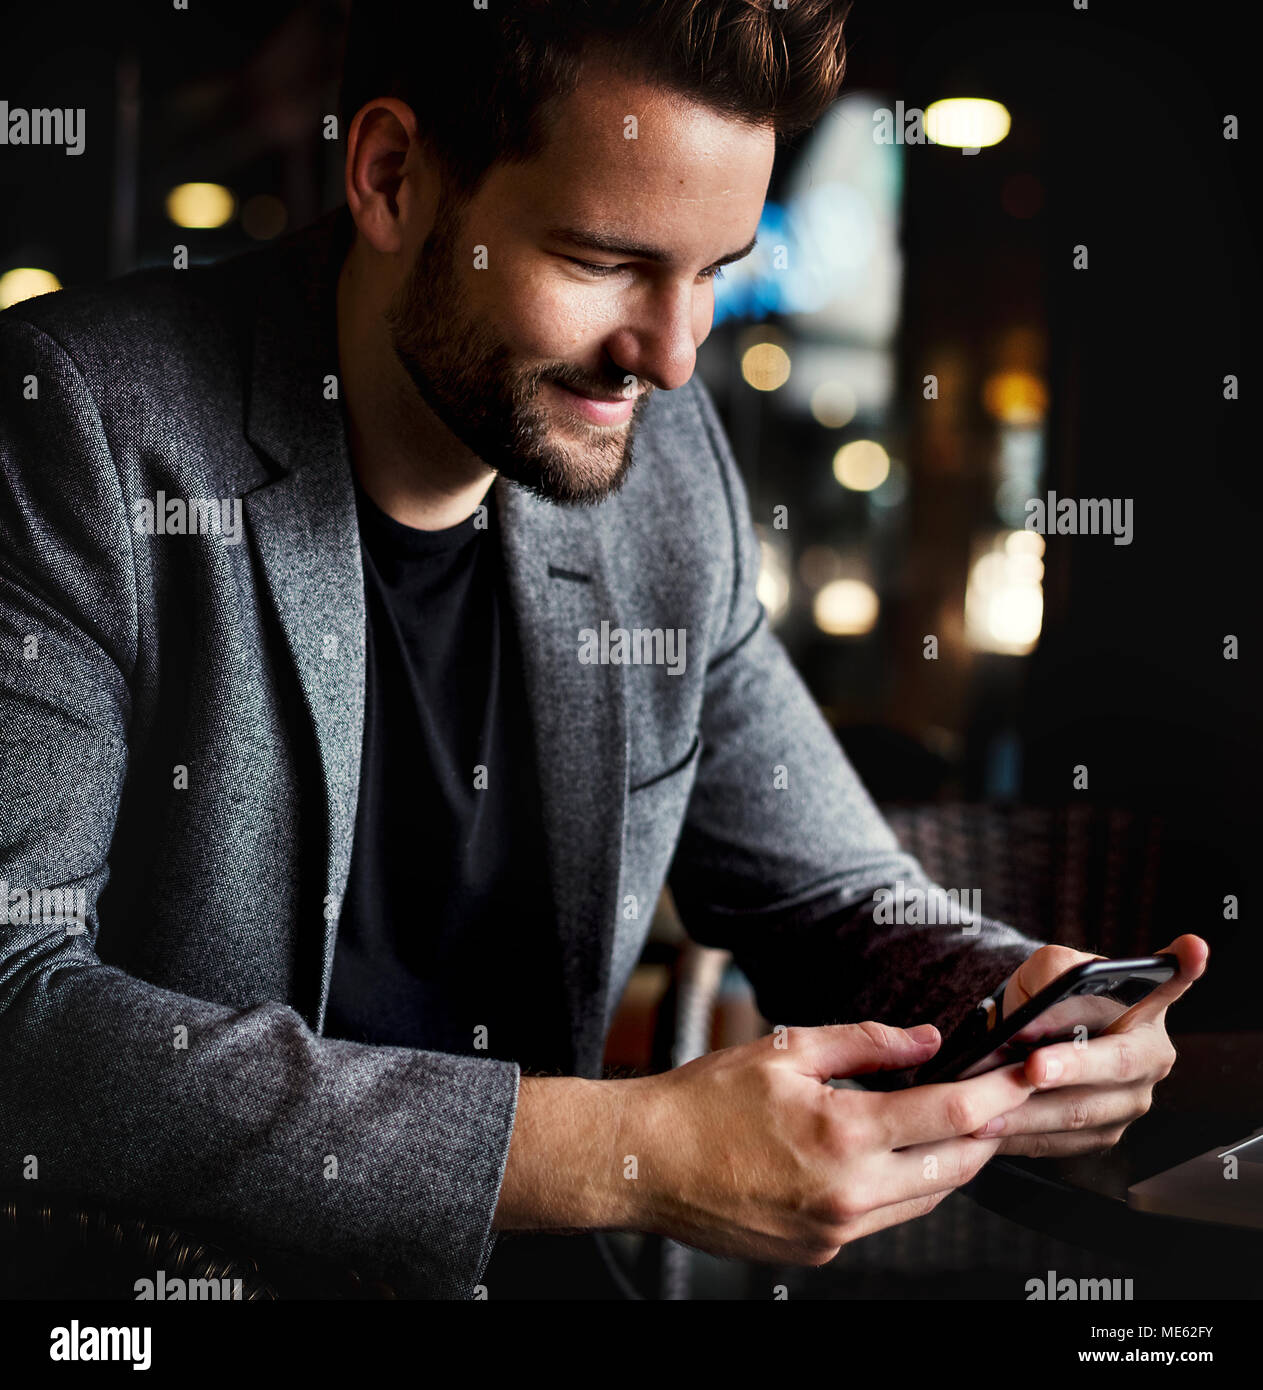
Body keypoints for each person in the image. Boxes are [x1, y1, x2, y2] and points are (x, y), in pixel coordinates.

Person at [0, 0, 1204, 1300]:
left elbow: (834, 895)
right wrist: (626, 1148)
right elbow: (22, 1013)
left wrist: (1015, 995)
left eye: (712, 269)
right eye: (602, 260)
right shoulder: (79, 426)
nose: (675, 355)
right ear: (393, 177)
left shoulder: (664, 476)